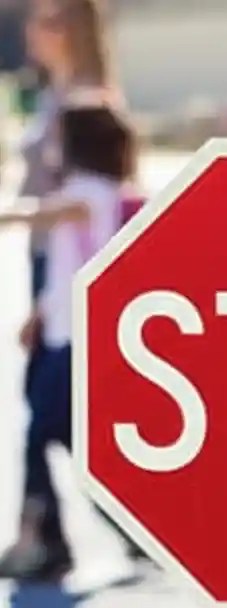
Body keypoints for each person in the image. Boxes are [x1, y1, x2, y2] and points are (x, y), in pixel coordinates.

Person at [0, 96, 140, 579]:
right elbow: (67, 268)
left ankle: (47, 541)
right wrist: (37, 314)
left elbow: (43, 215)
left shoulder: (92, 191)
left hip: (80, 340)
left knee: (43, 433)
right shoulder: (89, 191)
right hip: (62, 332)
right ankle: (130, 527)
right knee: (72, 440)